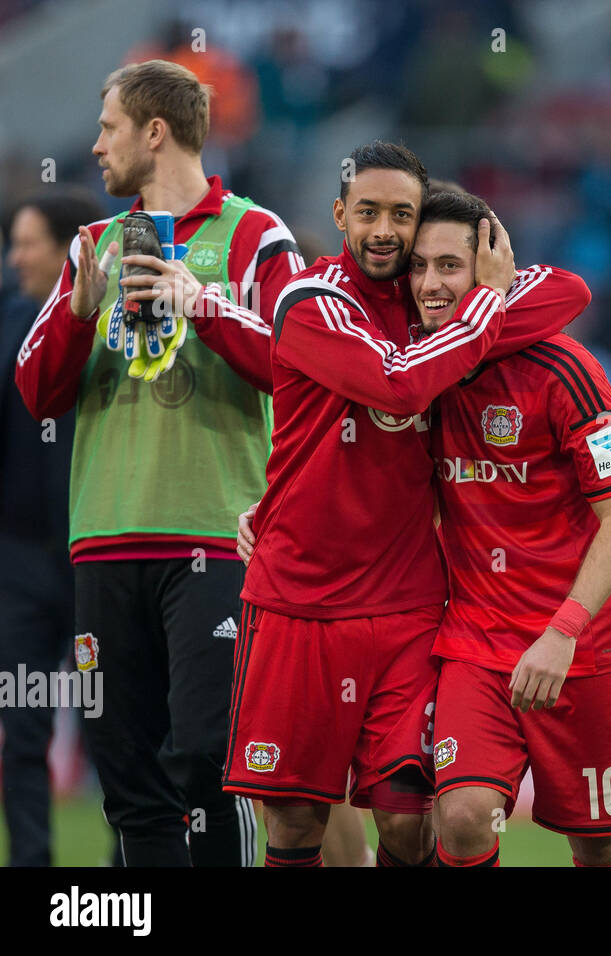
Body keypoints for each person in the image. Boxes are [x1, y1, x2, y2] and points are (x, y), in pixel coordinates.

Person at [224, 142, 591, 867]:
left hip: (407, 606)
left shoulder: (432, 307)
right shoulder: (310, 301)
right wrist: (482, 304)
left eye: (403, 214)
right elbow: (397, 385)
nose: (386, 231)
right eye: (369, 212)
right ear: (339, 216)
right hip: (301, 598)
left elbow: (569, 291)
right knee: (294, 821)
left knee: (406, 821)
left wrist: (480, 276)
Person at [14, 59, 304, 867]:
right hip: (105, 538)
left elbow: (304, 364)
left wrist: (202, 304)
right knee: (128, 779)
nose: (96, 145)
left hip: (213, 535)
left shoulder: (256, 234)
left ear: (153, 131)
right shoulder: (94, 249)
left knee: (210, 756)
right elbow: (36, 393)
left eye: (108, 128)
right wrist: (77, 314)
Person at [416, 189, 611, 868]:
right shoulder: (418, 371)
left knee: (600, 846)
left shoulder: (568, 370)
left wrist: (562, 632)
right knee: (460, 817)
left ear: (492, 269)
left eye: (451, 266)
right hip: (476, 643)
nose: (432, 284)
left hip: (582, 649)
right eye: (421, 266)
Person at [1, 190, 102, 865]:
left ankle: (127, 866)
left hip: (99, 560)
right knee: (24, 725)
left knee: (116, 728)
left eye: (27, 243)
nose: (15, 257)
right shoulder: (7, 322)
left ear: (69, 248)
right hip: (20, 564)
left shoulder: (114, 325)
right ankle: (31, 866)